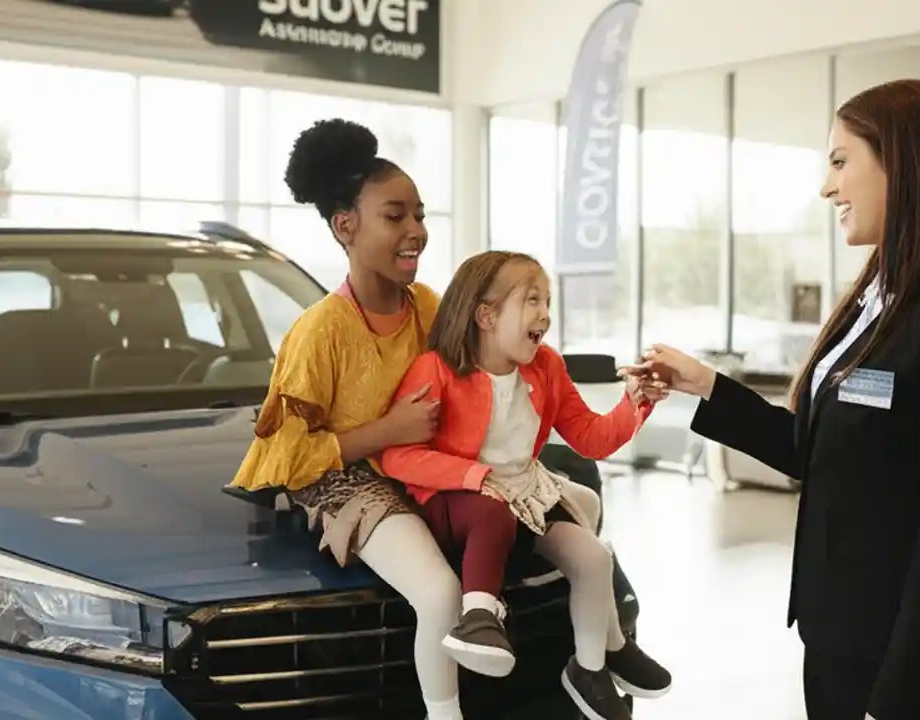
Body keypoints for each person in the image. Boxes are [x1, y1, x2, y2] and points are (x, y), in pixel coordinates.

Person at [631, 79, 920, 720]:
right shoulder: (882, 293)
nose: (828, 188)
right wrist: (705, 384)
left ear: (902, 162)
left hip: (912, 656)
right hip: (839, 631)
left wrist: (898, 697)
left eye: (841, 161)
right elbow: (815, 450)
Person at [229, 118, 465, 720]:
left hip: (421, 464)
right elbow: (290, 461)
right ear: (345, 226)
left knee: (574, 506)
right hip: (345, 480)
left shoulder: (429, 306)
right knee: (440, 592)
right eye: (395, 216)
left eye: (420, 215)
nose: (416, 231)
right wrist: (387, 433)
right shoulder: (318, 332)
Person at [381, 251, 673, 720]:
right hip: (457, 500)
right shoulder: (436, 370)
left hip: (524, 493)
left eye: (547, 301)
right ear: (486, 316)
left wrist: (634, 402)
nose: (545, 314)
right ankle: (479, 616)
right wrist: (473, 476)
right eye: (532, 300)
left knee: (594, 557)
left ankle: (590, 671)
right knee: (492, 514)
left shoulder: (546, 367)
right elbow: (398, 456)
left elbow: (591, 437)